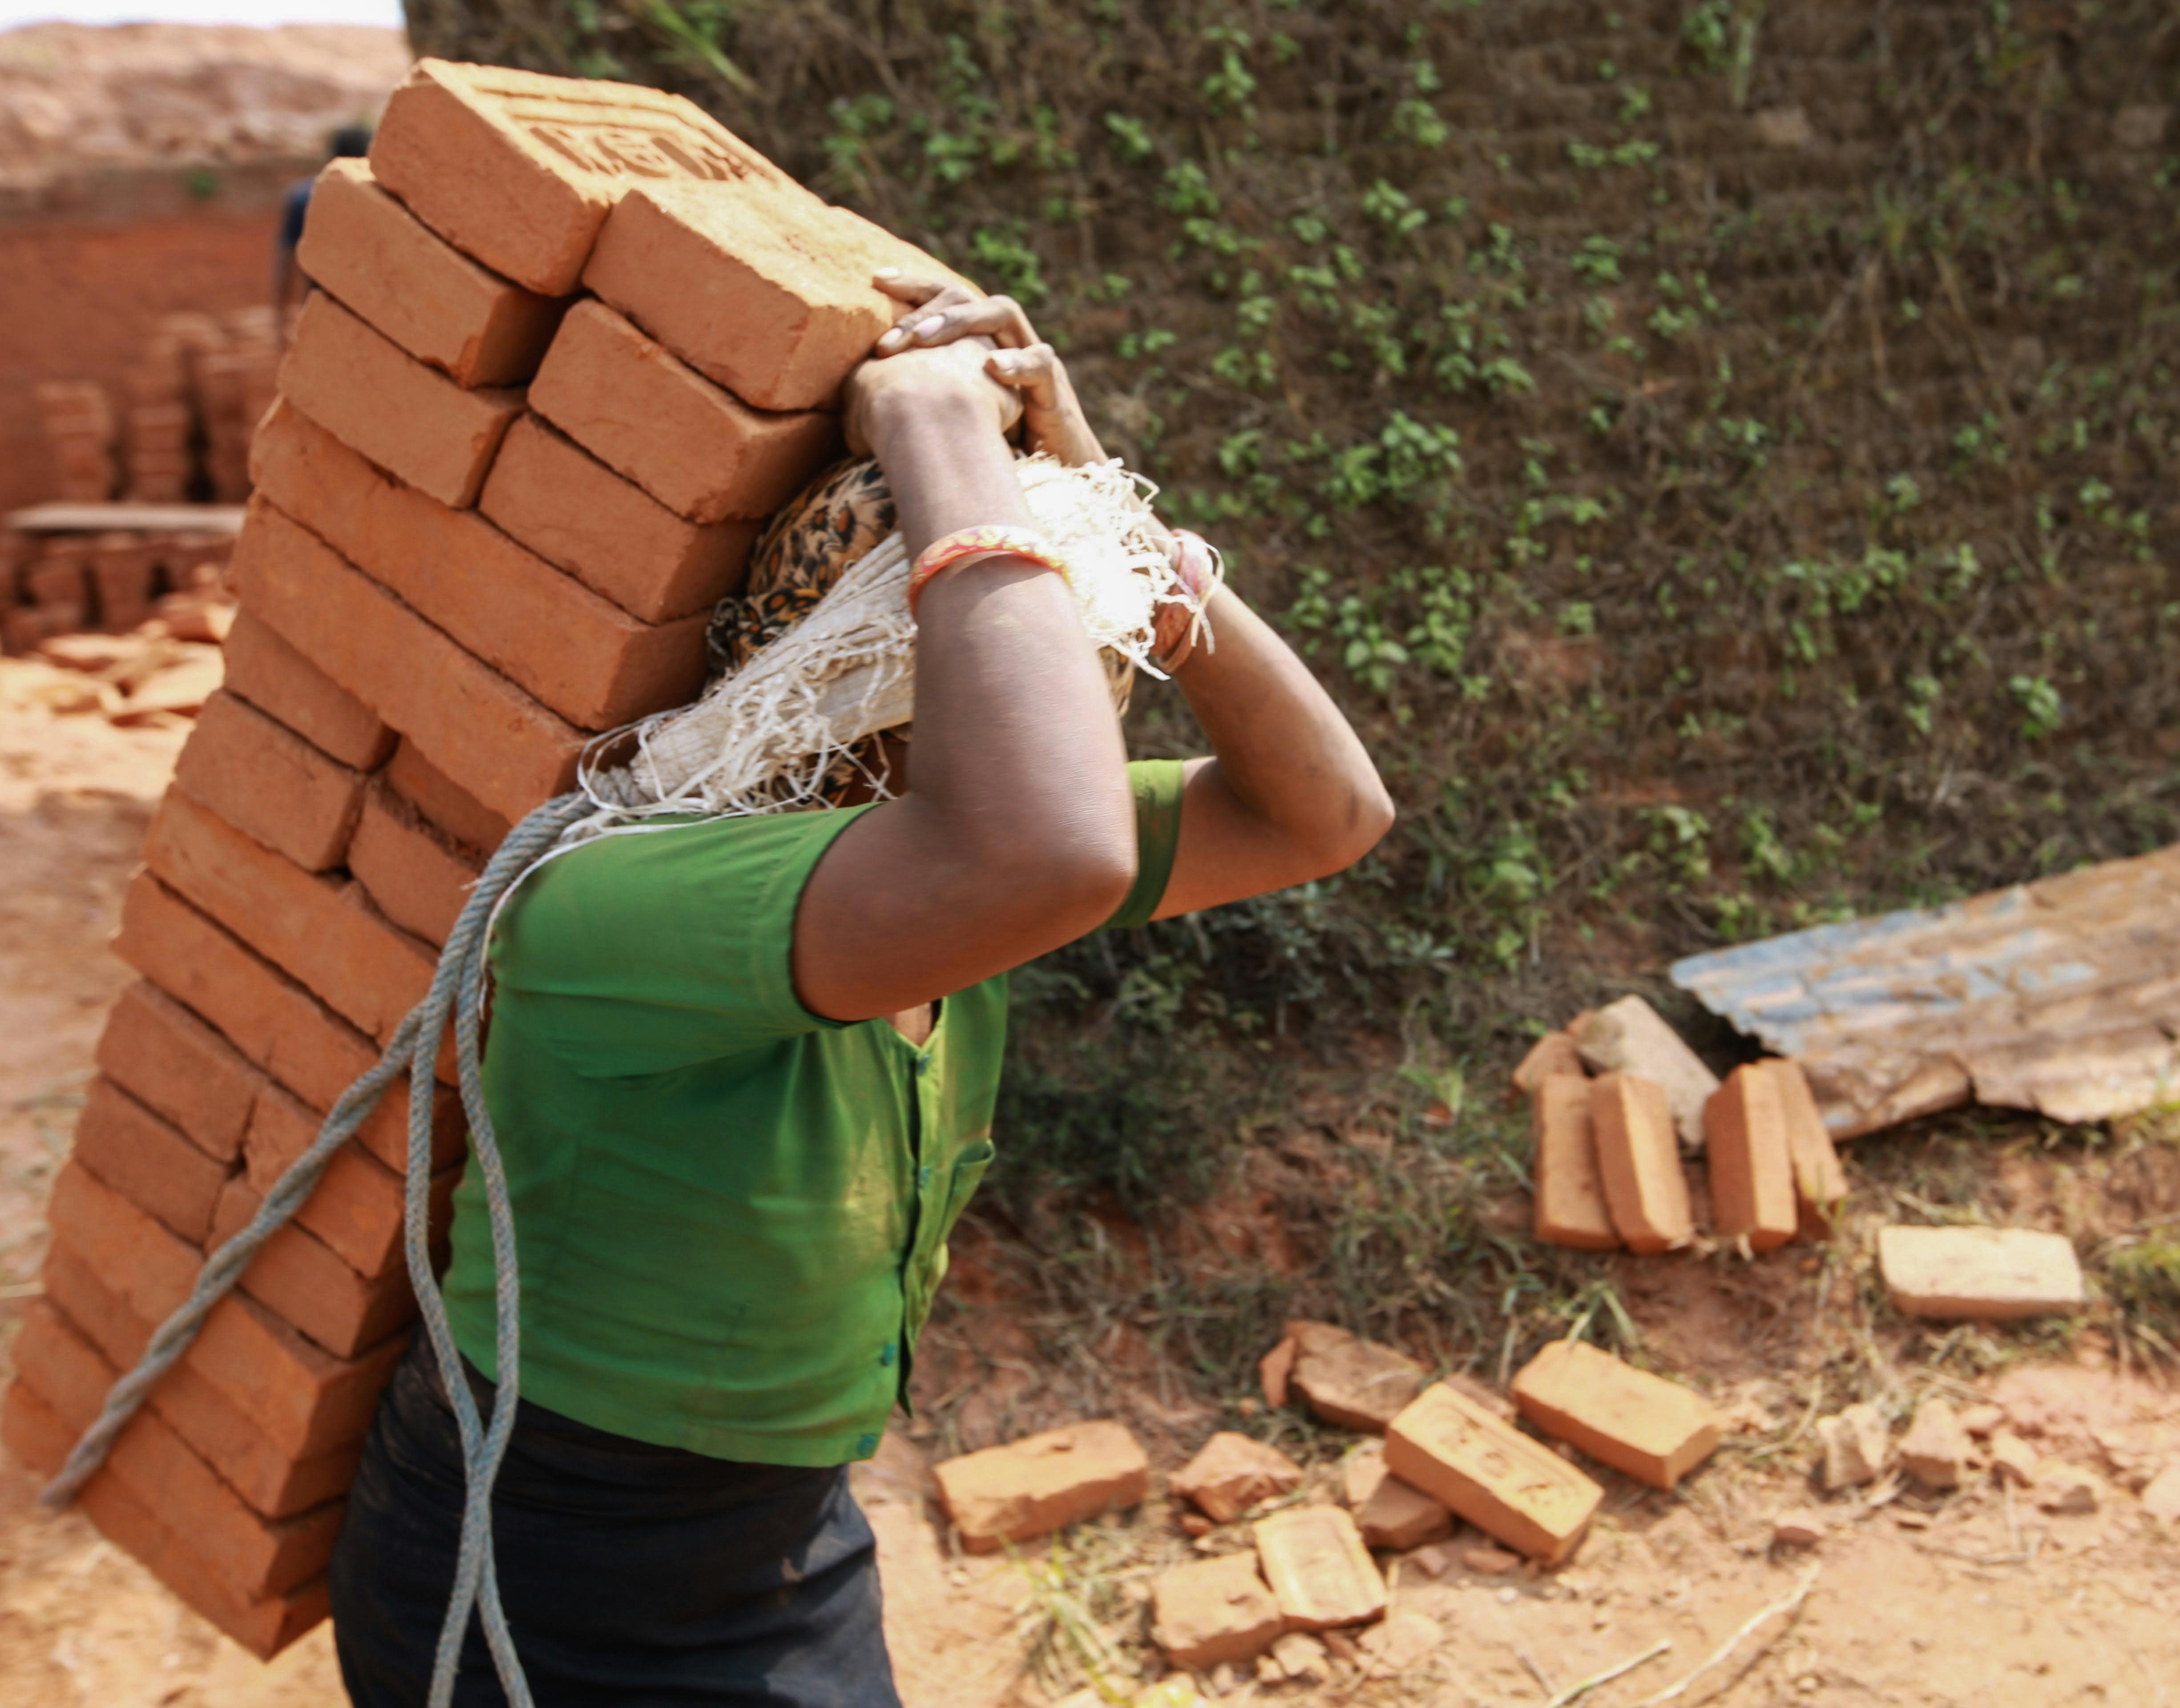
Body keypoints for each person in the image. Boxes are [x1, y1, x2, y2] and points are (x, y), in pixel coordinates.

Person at [327, 275, 1394, 1706]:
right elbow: (1046, 843)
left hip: (779, 1536)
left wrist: (1112, 515)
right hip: (551, 1564)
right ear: (879, 679)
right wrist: (935, 431)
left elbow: (1326, 815)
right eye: (1048, 636)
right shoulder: (620, 908)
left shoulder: (933, 868)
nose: (1090, 682)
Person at [275, 124, 372, 343]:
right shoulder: (376, 200)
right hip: (369, 311)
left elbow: (287, 259)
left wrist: (280, 318)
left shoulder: (303, 197)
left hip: (320, 306)